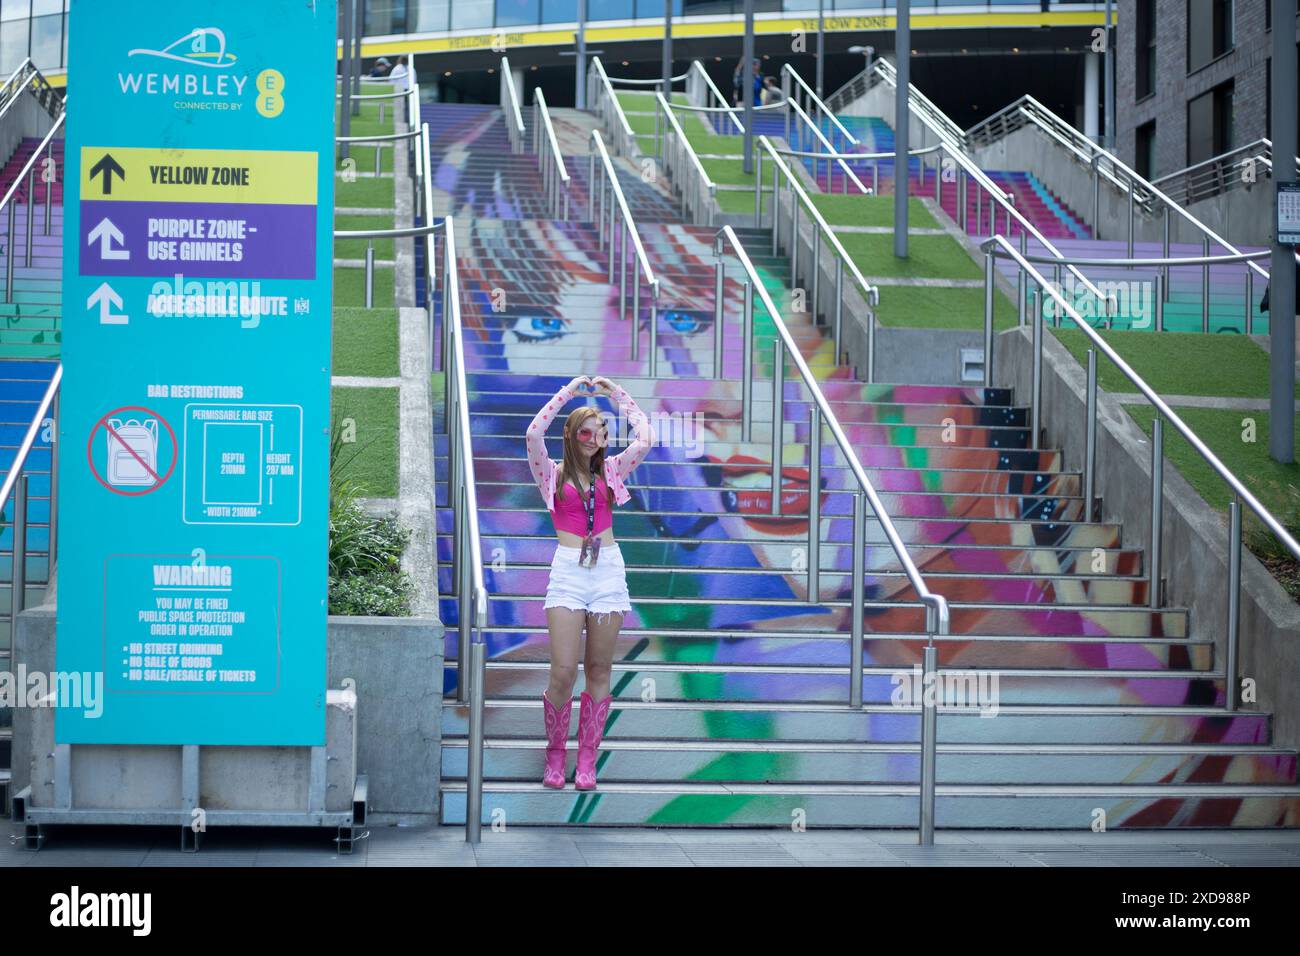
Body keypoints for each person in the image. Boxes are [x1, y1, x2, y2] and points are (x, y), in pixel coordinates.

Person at [525, 374, 655, 790]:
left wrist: (616, 394)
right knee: (563, 670)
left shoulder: (614, 470)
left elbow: (645, 439)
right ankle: (555, 755)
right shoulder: (551, 473)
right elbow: (533, 432)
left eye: (601, 434)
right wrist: (570, 393)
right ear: (571, 433)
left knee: (599, 667)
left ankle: (587, 760)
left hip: (608, 571)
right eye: (586, 431)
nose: (594, 439)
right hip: (567, 571)